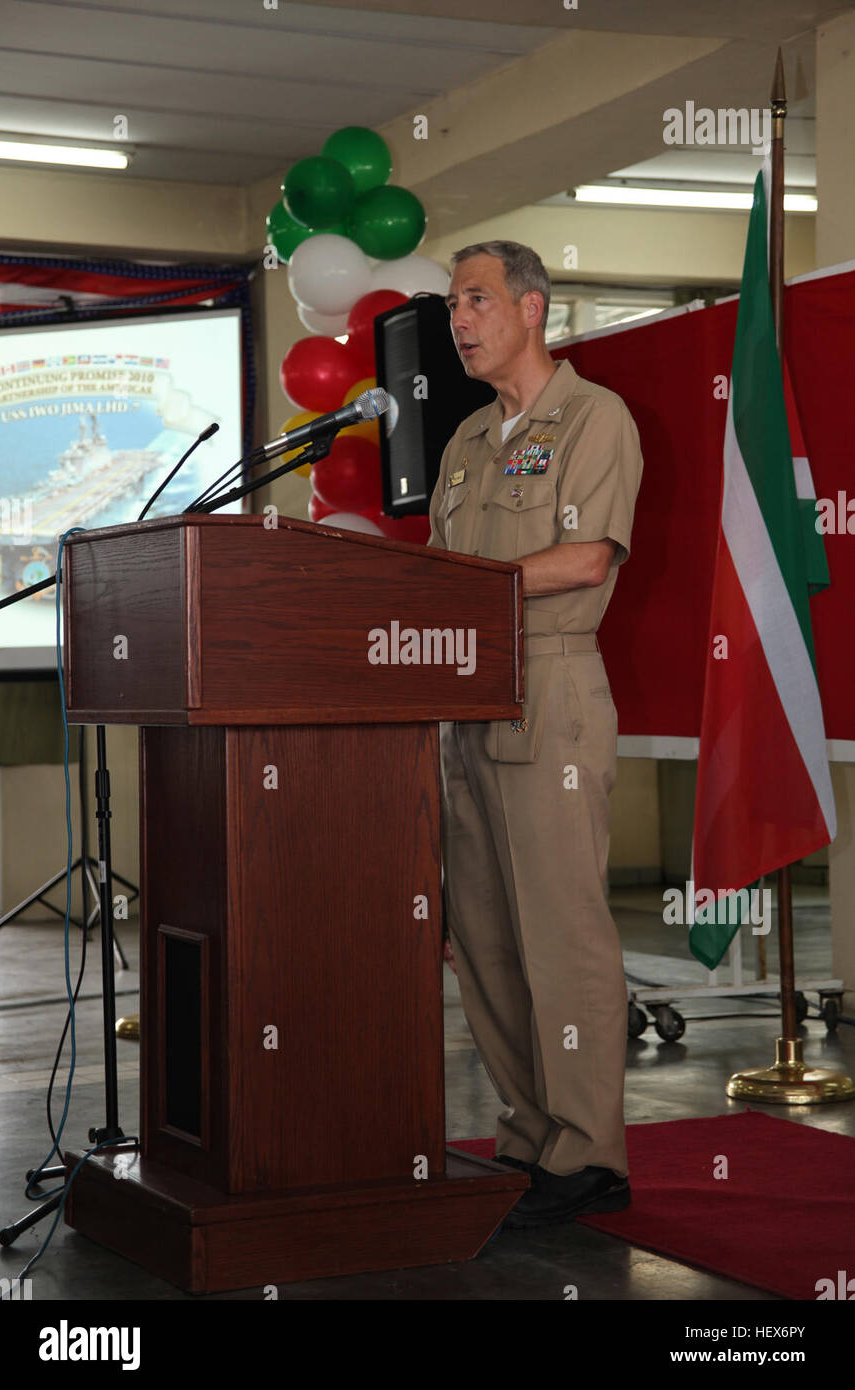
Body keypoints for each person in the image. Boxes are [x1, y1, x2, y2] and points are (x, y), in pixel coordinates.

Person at [427, 241, 643, 1227]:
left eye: (474, 299)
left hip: (546, 691)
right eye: (450, 304)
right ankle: (526, 1135)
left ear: (530, 306)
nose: (458, 319)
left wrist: (459, 595)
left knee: (561, 937)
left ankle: (588, 1152)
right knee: (485, 939)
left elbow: (584, 558)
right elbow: (433, 568)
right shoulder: (469, 437)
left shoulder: (590, 417)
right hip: (463, 707)